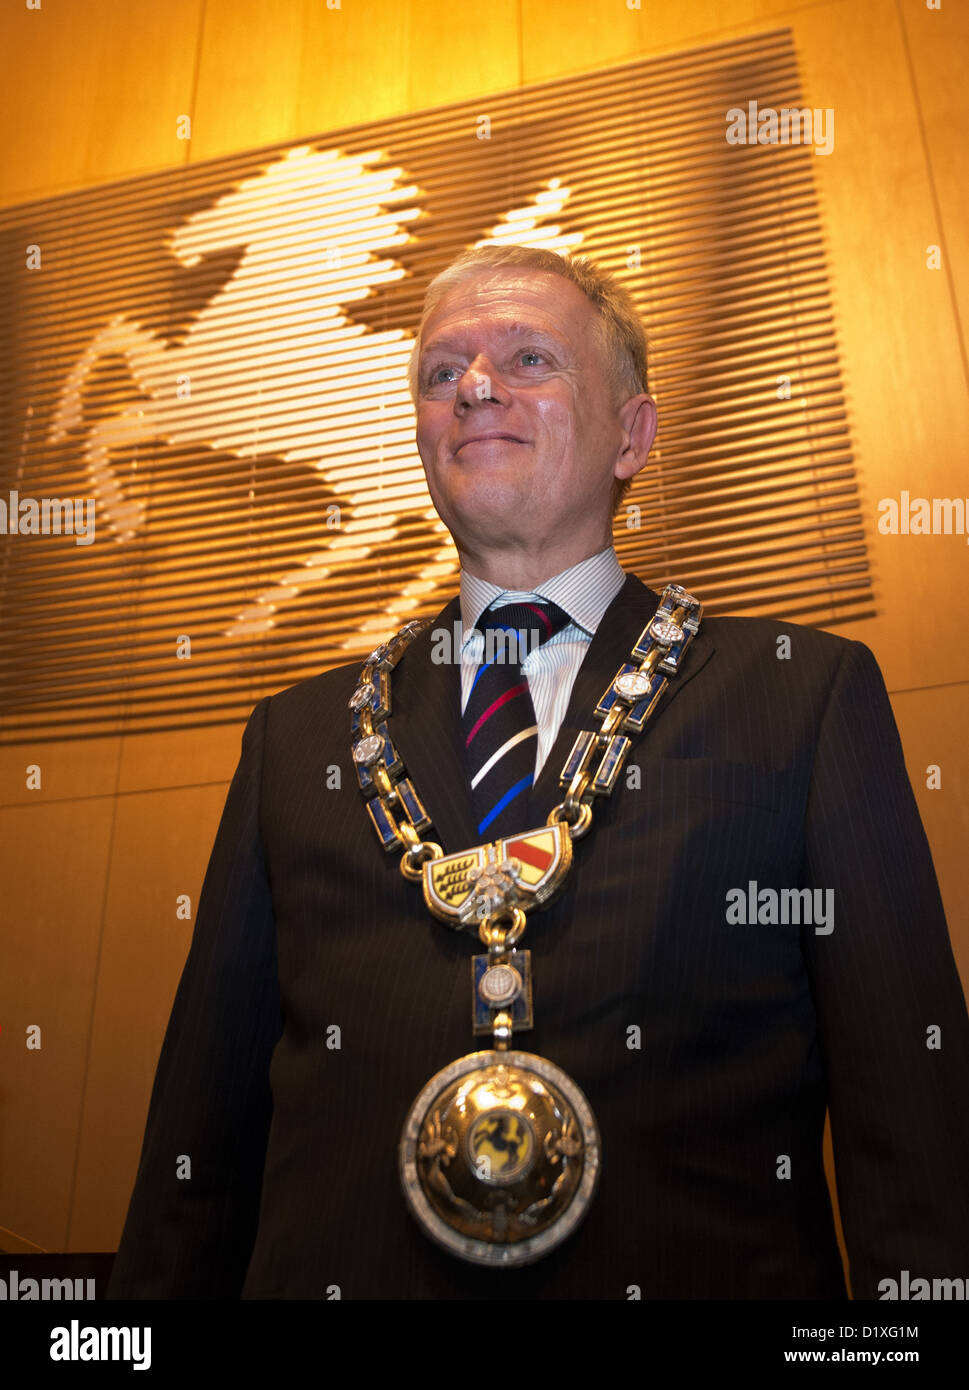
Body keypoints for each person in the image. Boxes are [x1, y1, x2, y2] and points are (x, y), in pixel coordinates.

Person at [107, 244, 969, 1300]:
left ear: (631, 433)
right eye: (441, 371)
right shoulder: (295, 738)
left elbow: (915, 1134)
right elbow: (200, 1146)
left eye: (528, 358)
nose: (475, 387)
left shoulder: (803, 695)